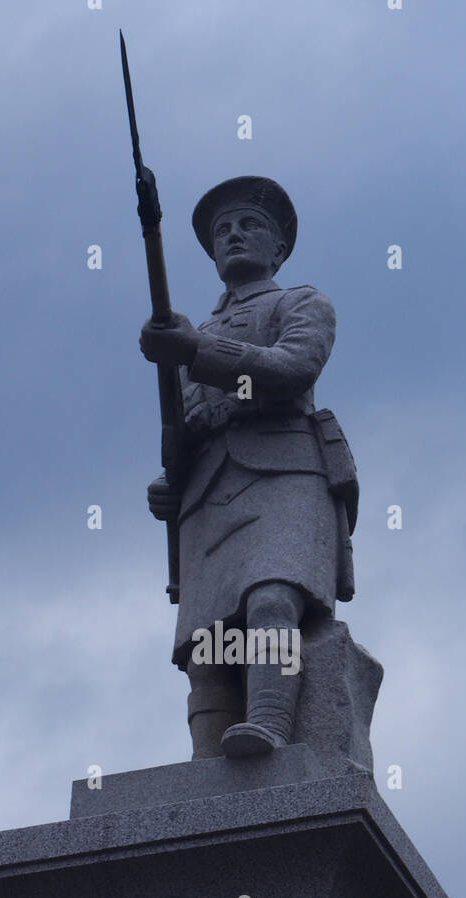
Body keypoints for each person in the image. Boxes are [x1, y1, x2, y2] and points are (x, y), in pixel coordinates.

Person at [140, 175, 358, 758]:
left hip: (286, 472)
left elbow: (291, 369)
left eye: (248, 226)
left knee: (272, 600)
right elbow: (183, 430)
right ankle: (207, 759)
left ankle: (268, 723)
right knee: (205, 642)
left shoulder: (300, 303)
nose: (233, 236)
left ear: (278, 247)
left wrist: (192, 351)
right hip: (209, 491)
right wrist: (169, 482)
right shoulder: (192, 336)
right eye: (222, 232)